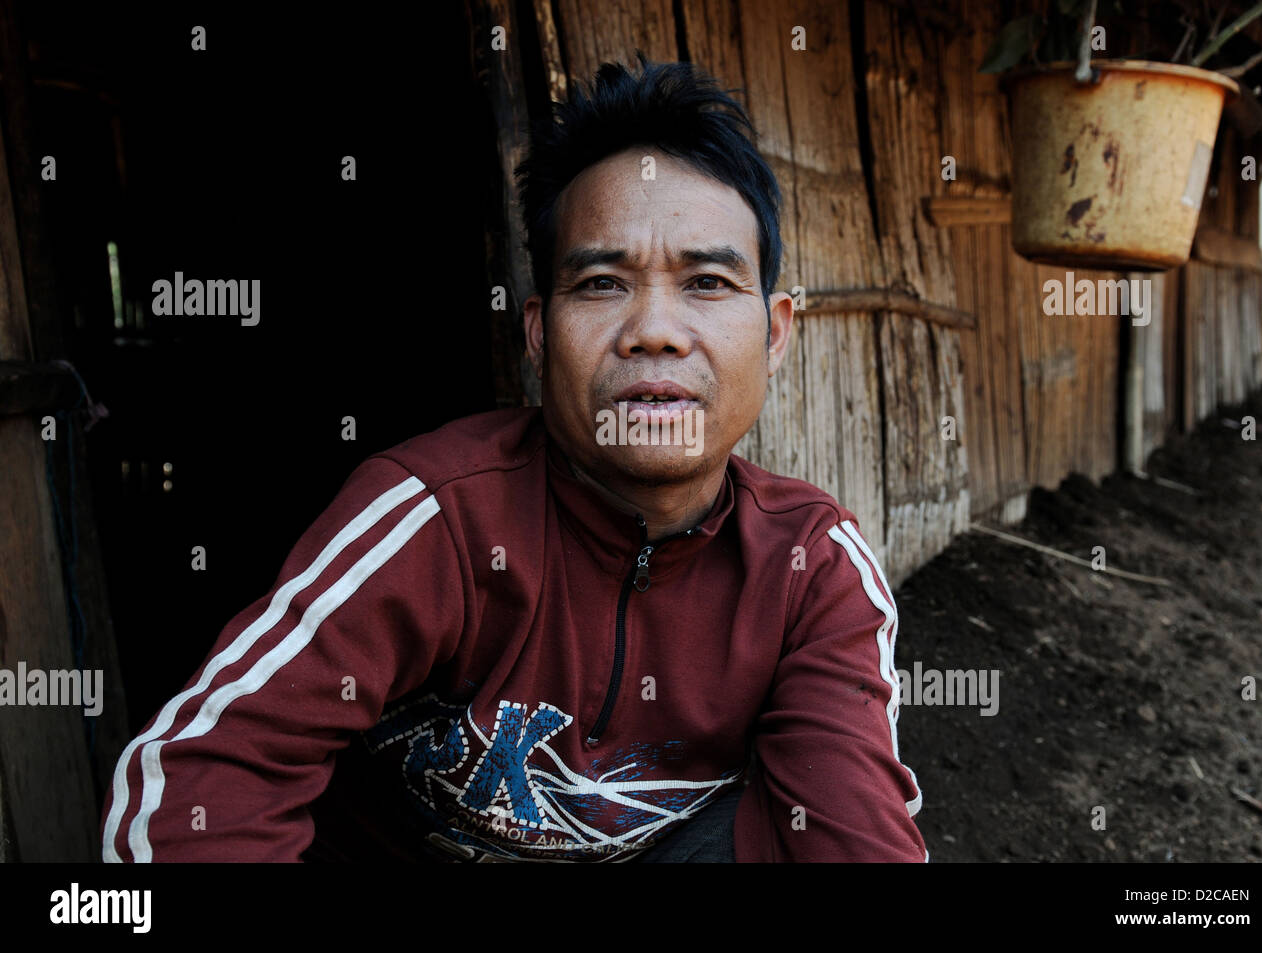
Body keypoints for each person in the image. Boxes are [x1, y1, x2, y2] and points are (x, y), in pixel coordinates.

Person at [100, 55, 927, 863]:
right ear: (538, 333)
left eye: (707, 283)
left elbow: (856, 834)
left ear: (776, 332)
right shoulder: (434, 516)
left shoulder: (810, 568)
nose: (655, 330)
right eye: (601, 283)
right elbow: (201, 781)